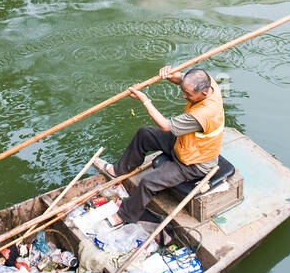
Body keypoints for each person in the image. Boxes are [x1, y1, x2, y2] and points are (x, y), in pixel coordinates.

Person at [94, 66, 225, 228]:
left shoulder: (205, 113)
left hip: (193, 163)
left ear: (204, 93)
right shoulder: (207, 83)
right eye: (184, 91)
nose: (184, 96)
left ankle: (124, 215)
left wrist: (145, 100)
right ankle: (119, 170)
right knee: (145, 134)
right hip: (183, 144)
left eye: (188, 95)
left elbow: (165, 125)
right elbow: (182, 79)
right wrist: (170, 76)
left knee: (148, 181)